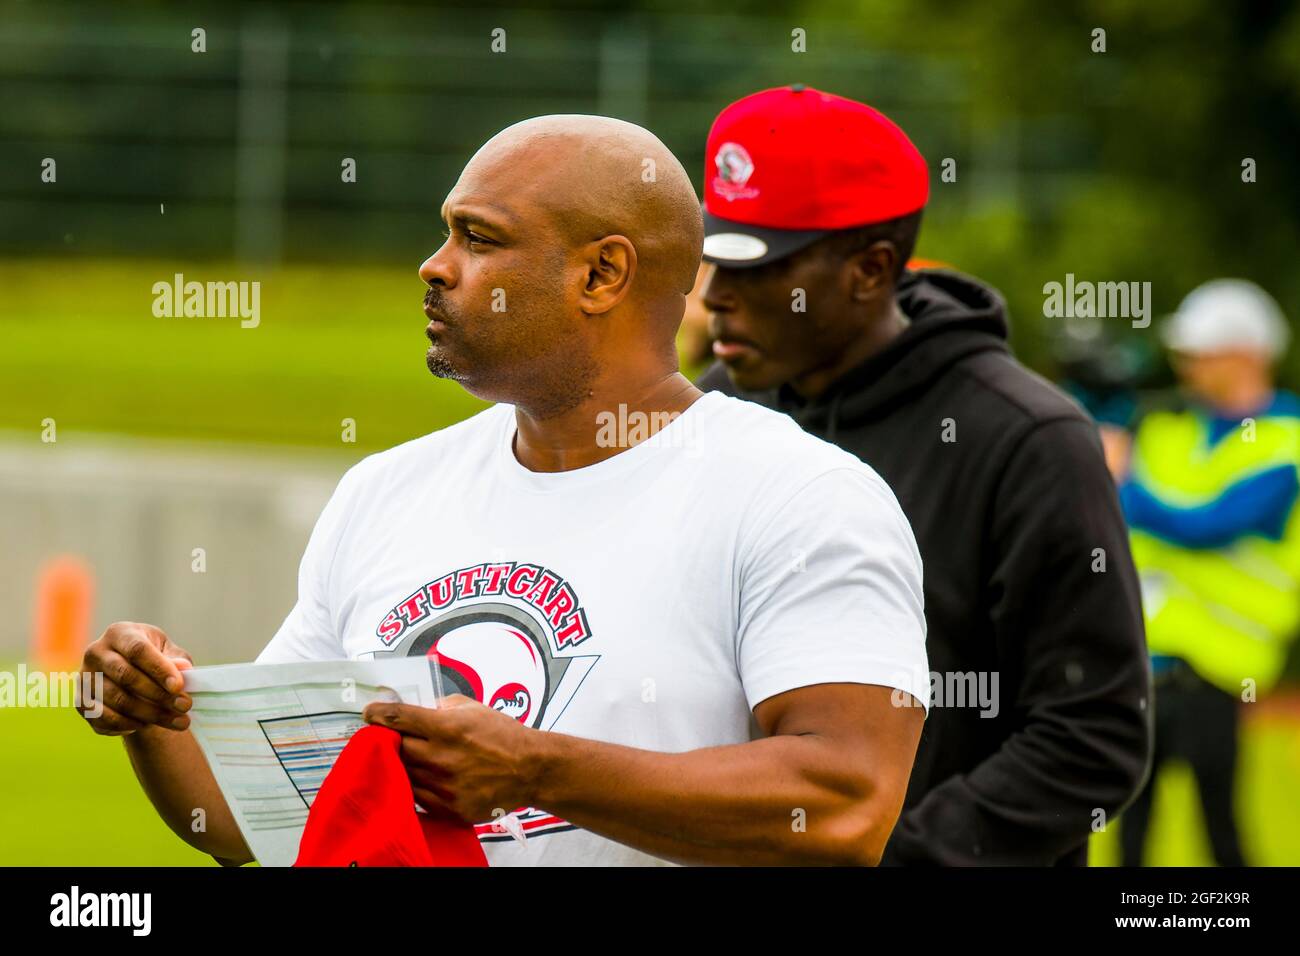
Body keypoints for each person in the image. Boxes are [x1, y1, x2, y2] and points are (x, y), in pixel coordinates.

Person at [77, 114, 932, 867]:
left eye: (477, 239)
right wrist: (154, 715)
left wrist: (534, 770)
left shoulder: (798, 496)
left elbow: (844, 804)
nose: (434, 267)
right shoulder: (387, 490)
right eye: (446, 235)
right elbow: (254, 815)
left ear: (601, 275)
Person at [696, 85, 1151, 865]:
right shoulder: (705, 418)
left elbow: (1092, 736)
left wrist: (881, 857)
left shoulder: (1027, 439)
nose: (713, 297)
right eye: (711, 255)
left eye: (759, 267)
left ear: (870, 269)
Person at [1117, 279, 1300, 867]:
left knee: (1220, 831)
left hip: (1222, 668)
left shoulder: (1286, 441)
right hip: (1146, 660)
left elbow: (1211, 525)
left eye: (1201, 351)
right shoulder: (1171, 428)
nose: (1187, 364)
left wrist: (1124, 481)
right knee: (1129, 828)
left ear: (1247, 353)